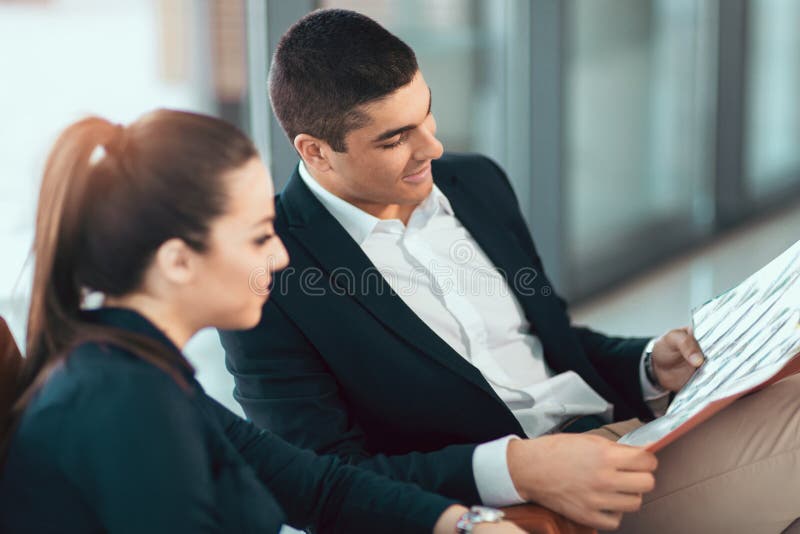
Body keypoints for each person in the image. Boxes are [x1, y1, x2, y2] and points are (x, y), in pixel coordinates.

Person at [220, 9, 800, 533]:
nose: (434, 148)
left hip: (624, 435)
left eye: (426, 114)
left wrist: (649, 364)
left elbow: (552, 343)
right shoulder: (270, 273)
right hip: (513, 502)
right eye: (396, 138)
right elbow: (320, 480)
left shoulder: (476, 182)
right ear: (316, 151)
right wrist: (513, 471)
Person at [0, 109, 524, 533]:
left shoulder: (142, 372)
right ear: (178, 261)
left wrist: (463, 524)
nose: (279, 256)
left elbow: (317, 486)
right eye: (257, 237)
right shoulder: (124, 400)